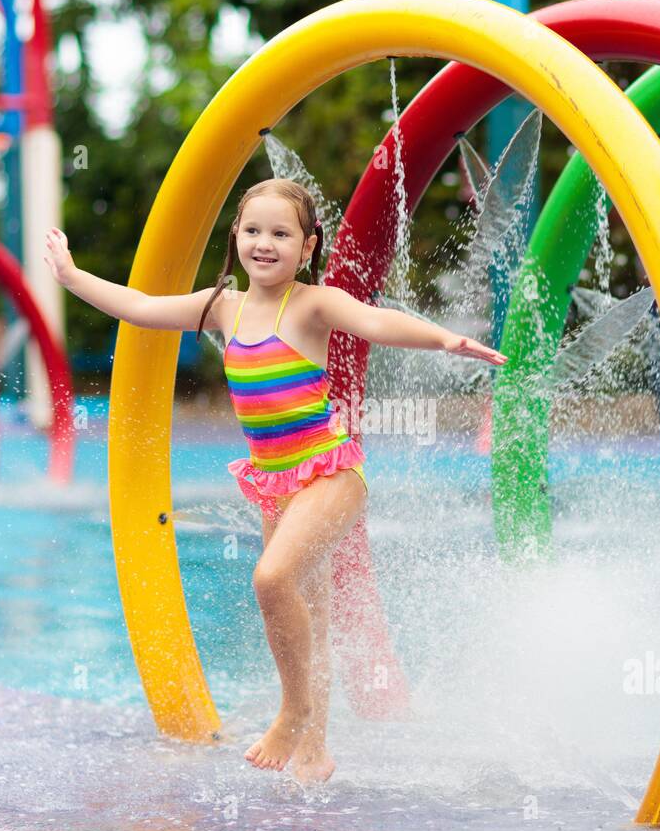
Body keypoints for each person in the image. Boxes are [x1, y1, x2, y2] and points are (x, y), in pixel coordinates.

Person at [44, 177, 505, 783]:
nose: (266, 243)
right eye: (254, 230)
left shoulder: (313, 304)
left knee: (270, 578)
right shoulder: (222, 307)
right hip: (274, 485)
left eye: (281, 233)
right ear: (236, 236)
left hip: (331, 473)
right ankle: (315, 749)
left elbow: (375, 321)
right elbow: (143, 308)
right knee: (307, 610)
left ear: (308, 246)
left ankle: (291, 714)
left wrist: (444, 338)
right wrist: (73, 277)